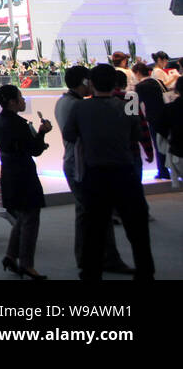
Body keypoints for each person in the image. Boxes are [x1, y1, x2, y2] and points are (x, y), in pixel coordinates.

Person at [61, 64, 154, 280]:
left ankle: (92, 272)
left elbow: (69, 135)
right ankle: (145, 272)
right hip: (125, 172)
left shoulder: (79, 108)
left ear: (91, 83)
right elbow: (137, 133)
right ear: (115, 83)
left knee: (95, 229)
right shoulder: (126, 106)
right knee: (137, 228)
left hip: (95, 175)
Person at [53, 65, 133, 275]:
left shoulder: (65, 102)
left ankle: (86, 258)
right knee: (98, 213)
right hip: (81, 165)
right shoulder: (78, 106)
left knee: (86, 213)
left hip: (74, 162)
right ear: (85, 82)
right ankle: (106, 258)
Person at [0, 84, 51, 279]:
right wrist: (42, 133)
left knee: (22, 218)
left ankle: (10, 255)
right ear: (12, 102)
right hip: (24, 173)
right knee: (31, 218)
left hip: (9, 172)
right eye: (20, 97)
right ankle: (26, 263)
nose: (23, 101)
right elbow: (35, 149)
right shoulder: (19, 125)